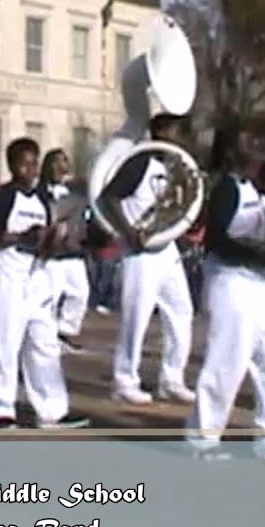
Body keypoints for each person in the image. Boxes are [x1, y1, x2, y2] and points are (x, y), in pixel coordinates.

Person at [186, 125, 265, 463]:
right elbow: (217, 238)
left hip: (262, 284)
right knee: (227, 360)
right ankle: (202, 439)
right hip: (232, 281)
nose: (257, 148)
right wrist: (257, 250)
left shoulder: (262, 194)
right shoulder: (227, 189)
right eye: (249, 143)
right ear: (233, 152)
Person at [0, 137, 89, 430]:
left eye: (34, 162)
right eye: (24, 163)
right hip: (8, 273)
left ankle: (52, 408)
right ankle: (1, 409)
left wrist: (53, 241)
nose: (30, 169)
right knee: (3, 342)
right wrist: (23, 237)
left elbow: (46, 242)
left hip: (36, 273)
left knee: (44, 342)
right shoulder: (3, 197)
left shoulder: (42, 198)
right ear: (13, 166)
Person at [103, 114, 197, 405]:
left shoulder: (174, 167)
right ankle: (124, 380)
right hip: (140, 251)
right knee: (137, 316)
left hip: (166, 248)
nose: (180, 138)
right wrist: (128, 231)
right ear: (160, 132)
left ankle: (172, 378)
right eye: (175, 131)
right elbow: (111, 197)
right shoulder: (140, 162)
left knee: (182, 310)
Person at [39, 149, 90, 354]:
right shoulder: (42, 192)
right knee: (51, 296)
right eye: (56, 162)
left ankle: (64, 330)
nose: (60, 166)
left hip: (74, 252)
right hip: (53, 254)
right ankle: (46, 335)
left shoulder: (75, 192)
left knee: (80, 294)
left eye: (64, 161)